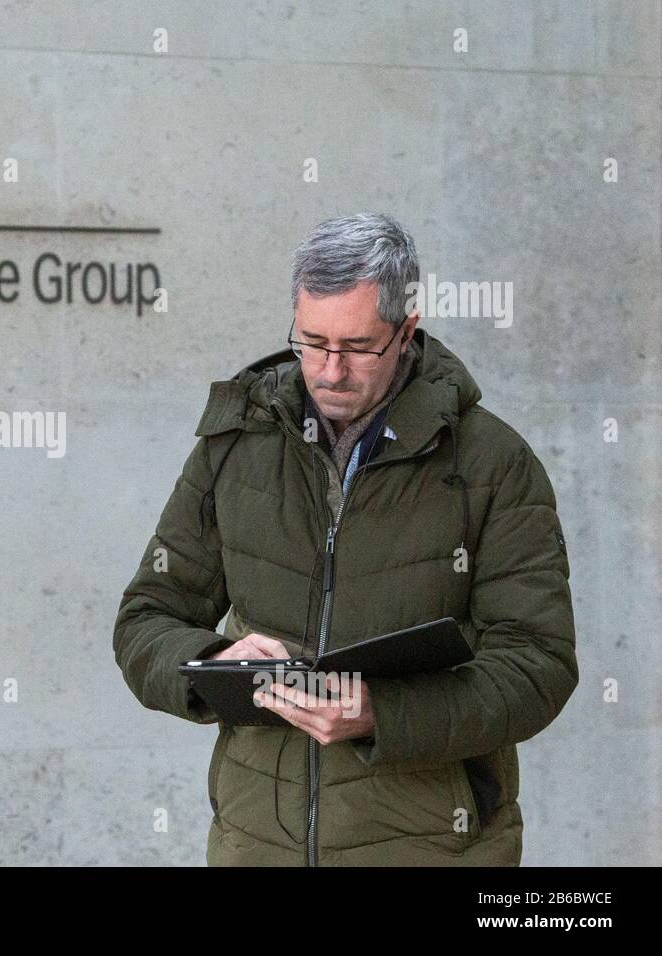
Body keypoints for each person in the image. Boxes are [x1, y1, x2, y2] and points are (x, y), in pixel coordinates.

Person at [113, 213, 577, 866]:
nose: (329, 370)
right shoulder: (235, 445)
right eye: (311, 342)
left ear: (407, 330)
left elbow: (539, 666)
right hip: (255, 848)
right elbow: (146, 619)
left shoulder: (492, 464)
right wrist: (214, 665)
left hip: (434, 850)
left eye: (358, 347)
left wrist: (378, 713)